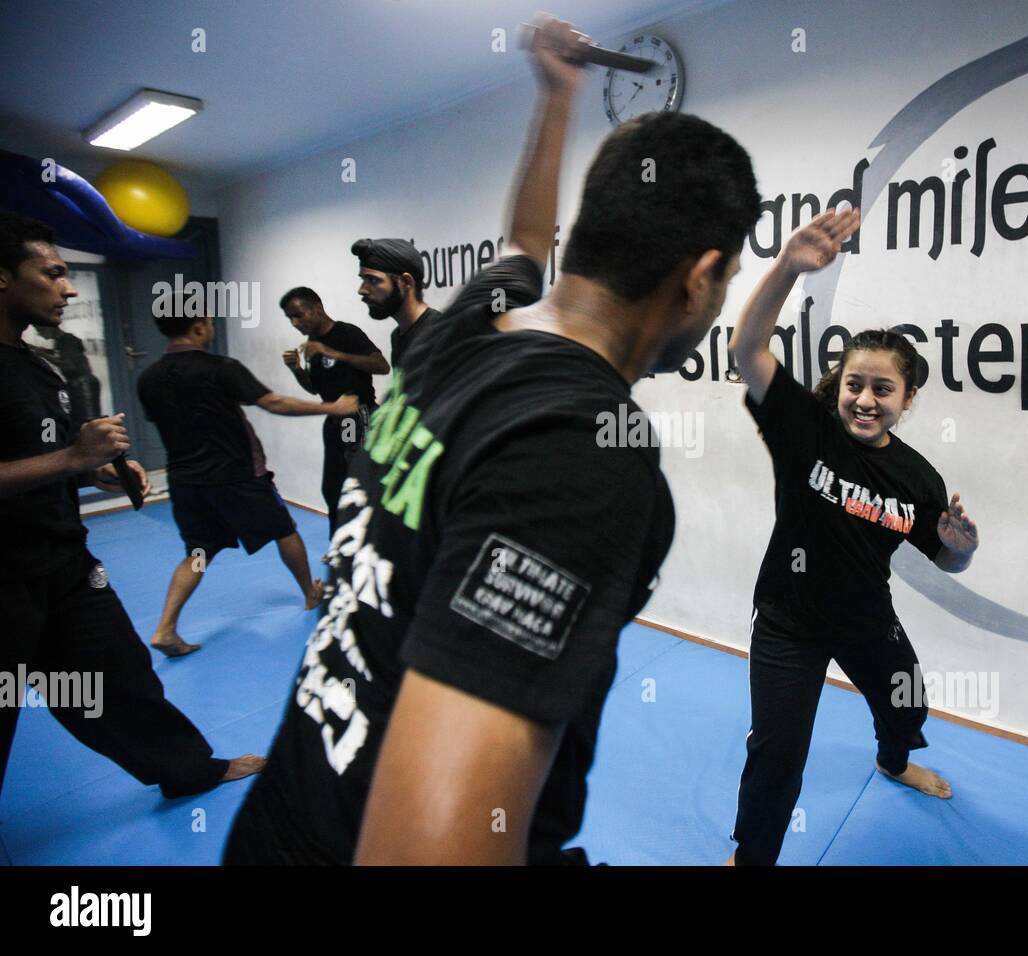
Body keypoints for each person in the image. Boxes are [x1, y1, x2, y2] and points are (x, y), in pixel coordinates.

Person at [224, 15, 761, 866]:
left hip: (279, 823)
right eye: (727, 277)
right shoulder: (582, 451)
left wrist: (556, 96)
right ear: (698, 279)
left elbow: (522, 242)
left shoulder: (465, 322)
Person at [725, 207, 980, 866]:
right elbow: (747, 350)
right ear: (839, 386)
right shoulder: (804, 429)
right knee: (777, 755)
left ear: (908, 397)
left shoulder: (918, 476)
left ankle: (894, 763)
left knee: (909, 703)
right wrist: (786, 266)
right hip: (787, 621)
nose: (865, 399)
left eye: (883, 389)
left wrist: (961, 546)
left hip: (867, 619)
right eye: (855, 384)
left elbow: (945, 561)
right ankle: (751, 859)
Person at [0, 211, 264, 799]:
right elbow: (57, 459)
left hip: (63, 565)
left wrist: (98, 472)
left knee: (120, 679)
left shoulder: (37, 367)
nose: (68, 287)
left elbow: (50, 457)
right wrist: (71, 461)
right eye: (52, 273)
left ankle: (189, 769)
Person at [136, 310, 359, 657]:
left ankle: (165, 628)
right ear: (198, 326)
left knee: (198, 553)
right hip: (236, 477)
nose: (211, 327)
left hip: (185, 482)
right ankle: (309, 593)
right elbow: (274, 402)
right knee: (285, 530)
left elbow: (181, 411)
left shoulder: (148, 378)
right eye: (208, 322)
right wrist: (334, 409)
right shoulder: (220, 367)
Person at [280, 286, 388, 532]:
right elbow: (316, 390)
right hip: (334, 420)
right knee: (332, 488)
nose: (295, 323)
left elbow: (381, 366)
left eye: (298, 315)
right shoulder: (312, 343)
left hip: (357, 417)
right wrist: (296, 369)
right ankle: (339, 543)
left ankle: (369, 543)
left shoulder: (347, 333)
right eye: (290, 318)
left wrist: (333, 353)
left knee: (359, 483)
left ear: (316, 309)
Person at [352, 237, 439, 368]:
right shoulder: (397, 337)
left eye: (373, 280)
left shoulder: (441, 333)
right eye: (364, 279)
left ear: (406, 282)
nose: (362, 290)